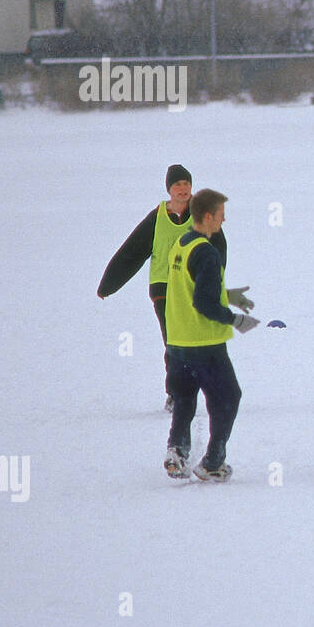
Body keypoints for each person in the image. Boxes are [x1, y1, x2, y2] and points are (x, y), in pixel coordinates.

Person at [97, 164, 248, 411]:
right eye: (178, 184)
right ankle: (176, 394)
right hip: (163, 288)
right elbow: (132, 251)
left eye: (186, 184)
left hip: (193, 288)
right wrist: (109, 284)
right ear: (169, 189)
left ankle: (199, 388)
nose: (183, 189)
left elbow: (218, 250)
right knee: (174, 342)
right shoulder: (156, 218)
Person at [163, 189, 259, 481]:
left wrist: (226, 294)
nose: (223, 220)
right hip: (204, 343)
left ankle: (176, 452)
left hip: (177, 340)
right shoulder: (207, 251)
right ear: (207, 216)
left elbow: (189, 287)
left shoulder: (182, 244)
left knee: (184, 399)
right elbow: (203, 303)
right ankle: (213, 462)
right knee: (228, 397)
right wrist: (235, 319)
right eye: (220, 215)